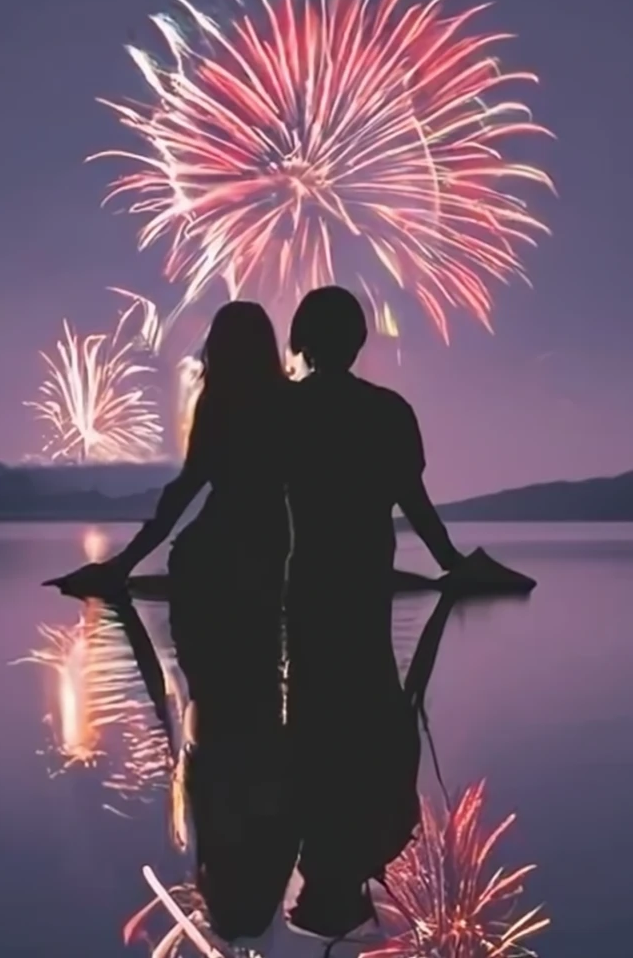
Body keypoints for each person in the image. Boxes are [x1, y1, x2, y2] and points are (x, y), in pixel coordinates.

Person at [46, 301, 296, 941]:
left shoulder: (223, 403)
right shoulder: (289, 403)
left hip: (218, 556)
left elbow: (187, 489)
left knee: (213, 676)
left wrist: (126, 563)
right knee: (260, 681)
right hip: (269, 552)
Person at [282, 286, 468, 939]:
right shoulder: (388, 410)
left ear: (301, 340)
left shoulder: (283, 410)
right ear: (357, 342)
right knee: (368, 691)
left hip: (304, 589)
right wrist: (452, 563)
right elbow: (410, 498)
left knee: (306, 706)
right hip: (363, 588)